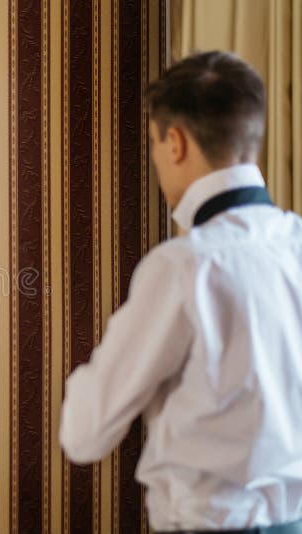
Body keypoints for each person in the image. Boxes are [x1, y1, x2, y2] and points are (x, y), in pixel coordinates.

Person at [60, 51, 302, 533]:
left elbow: (84, 435)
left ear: (175, 142)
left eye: (152, 142)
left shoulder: (183, 267)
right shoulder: (296, 242)